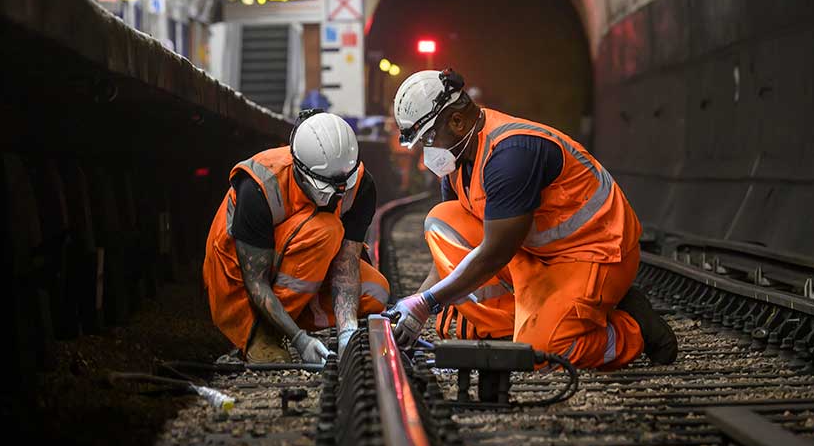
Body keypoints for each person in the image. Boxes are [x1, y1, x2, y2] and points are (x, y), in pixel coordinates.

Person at [386, 69, 677, 369]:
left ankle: (633, 328)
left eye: (428, 139)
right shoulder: (459, 161)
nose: (426, 153)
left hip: (596, 253)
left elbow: (494, 254)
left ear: (457, 122)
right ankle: (517, 325)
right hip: (538, 253)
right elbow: (451, 256)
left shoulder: (511, 155)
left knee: (544, 352)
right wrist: (415, 302)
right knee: (442, 221)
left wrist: (429, 303)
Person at [202, 111, 390, 363]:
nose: (337, 195)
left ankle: (289, 319)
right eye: (327, 188)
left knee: (375, 291)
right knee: (325, 230)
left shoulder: (360, 185)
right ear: (301, 170)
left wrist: (347, 332)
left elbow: (347, 264)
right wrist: (299, 339)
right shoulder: (260, 185)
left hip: (301, 268)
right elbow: (255, 281)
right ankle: (263, 333)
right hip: (237, 283)